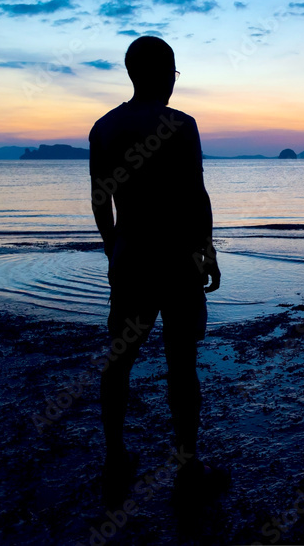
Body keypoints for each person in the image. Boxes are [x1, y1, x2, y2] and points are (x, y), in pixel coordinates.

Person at [88, 35, 227, 504]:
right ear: (163, 73)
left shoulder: (105, 128)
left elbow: (99, 200)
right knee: (181, 366)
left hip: (131, 262)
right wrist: (207, 252)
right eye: (173, 71)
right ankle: (187, 468)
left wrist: (114, 251)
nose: (173, 80)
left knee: (120, 360)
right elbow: (196, 194)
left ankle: (114, 457)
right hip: (177, 263)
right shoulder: (181, 125)